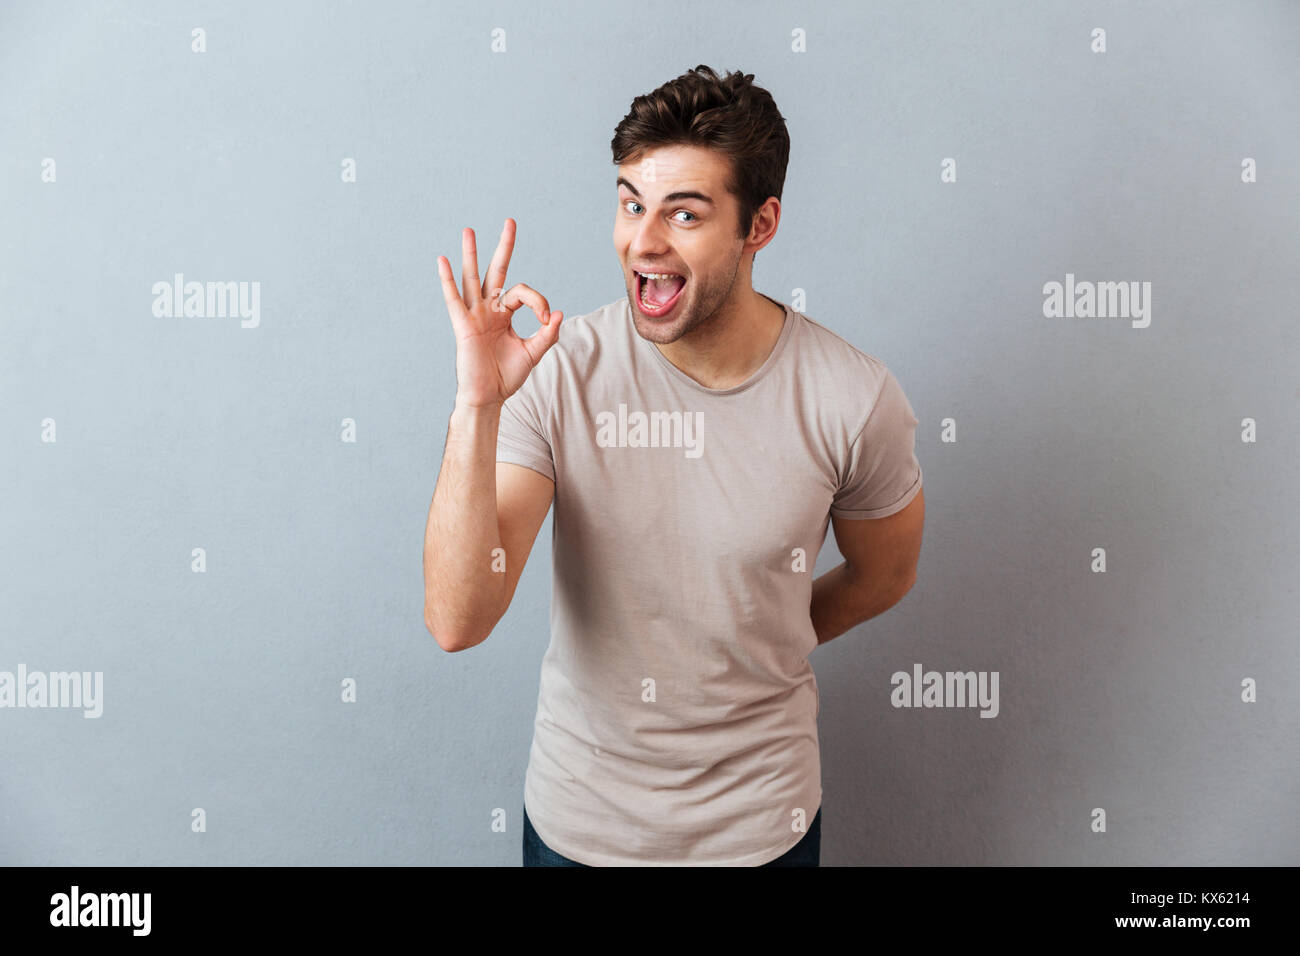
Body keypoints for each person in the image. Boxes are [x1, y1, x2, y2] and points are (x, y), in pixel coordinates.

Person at [424, 65, 925, 867]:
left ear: (759, 226)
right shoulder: (560, 369)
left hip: (763, 831)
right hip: (580, 831)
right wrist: (476, 404)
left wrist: (755, 644)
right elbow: (459, 620)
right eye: (631, 204)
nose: (644, 242)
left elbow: (885, 575)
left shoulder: (853, 397)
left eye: (683, 214)